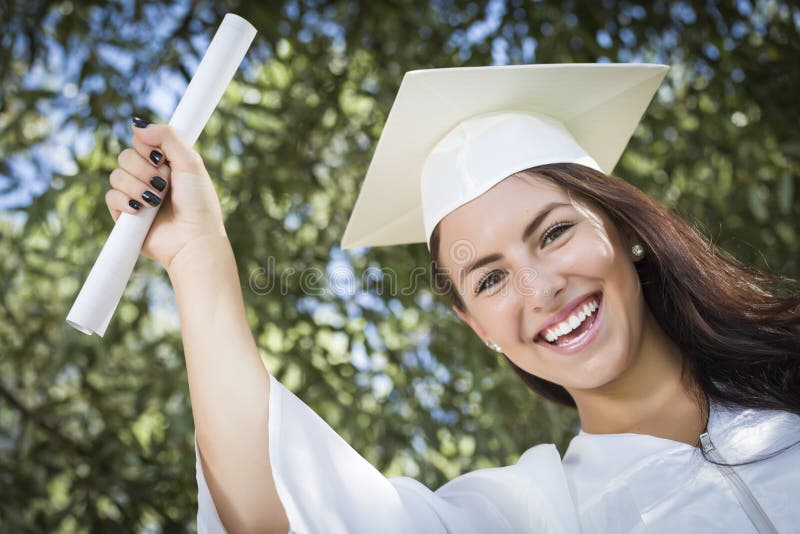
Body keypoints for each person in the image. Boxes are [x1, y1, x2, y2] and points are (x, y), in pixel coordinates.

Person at [105, 64, 800, 533]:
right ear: (478, 328)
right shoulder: (526, 516)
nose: (539, 288)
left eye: (554, 233)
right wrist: (197, 253)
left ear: (625, 233)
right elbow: (280, 507)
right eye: (490, 278)